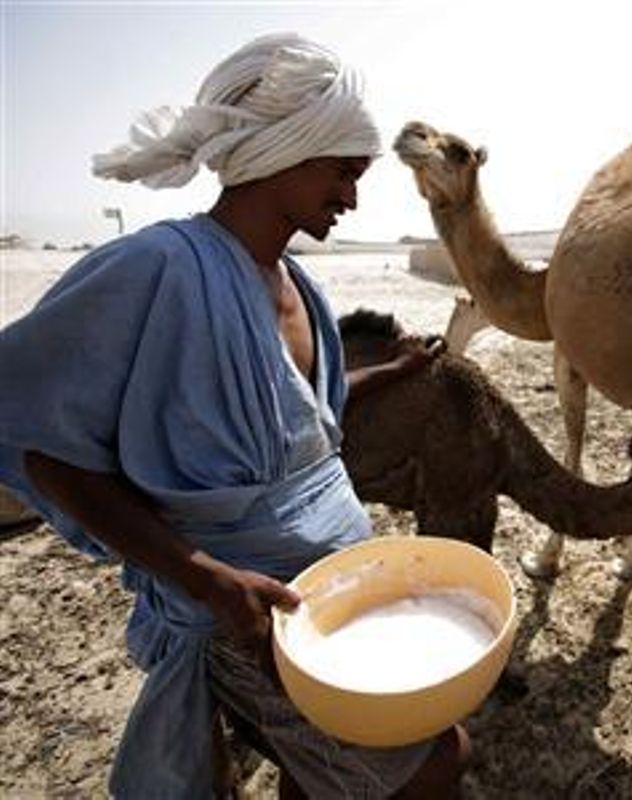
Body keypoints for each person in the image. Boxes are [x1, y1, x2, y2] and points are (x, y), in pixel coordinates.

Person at [0, 33, 465, 798]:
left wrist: (391, 372)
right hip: (243, 623)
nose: (352, 197)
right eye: (344, 171)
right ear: (288, 148)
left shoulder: (303, 291)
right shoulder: (159, 269)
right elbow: (45, 444)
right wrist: (210, 580)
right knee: (436, 763)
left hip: (331, 600)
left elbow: (299, 423)